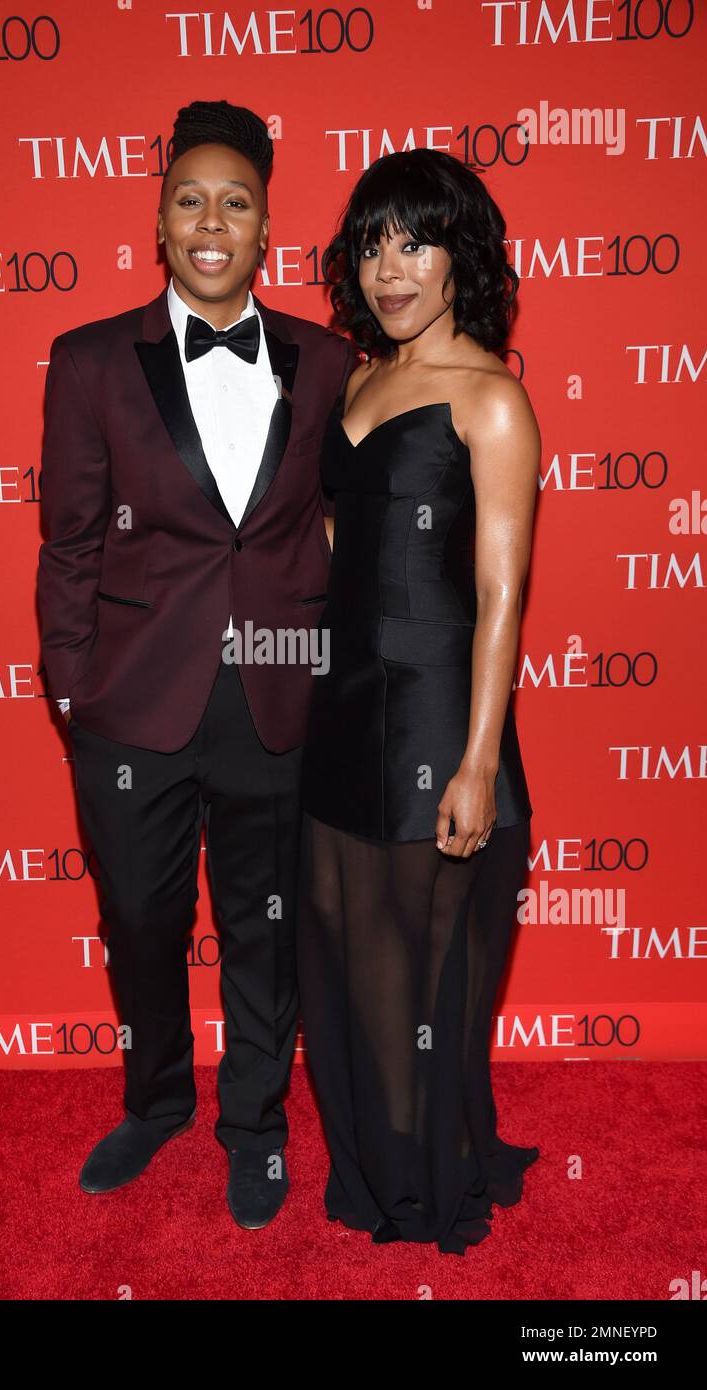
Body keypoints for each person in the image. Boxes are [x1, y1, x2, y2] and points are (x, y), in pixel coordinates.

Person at [36, 100, 354, 1229]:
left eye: (235, 203)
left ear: (265, 227)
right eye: (189, 200)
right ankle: (157, 1099)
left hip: (277, 695)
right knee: (138, 920)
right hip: (131, 704)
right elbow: (68, 542)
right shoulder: (88, 360)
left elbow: (345, 526)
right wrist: (75, 693)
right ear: (160, 222)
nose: (211, 222)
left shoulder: (329, 360)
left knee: (266, 926)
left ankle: (254, 1126)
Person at [297, 148, 541, 1254]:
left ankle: (426, 1178)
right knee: (347, 950)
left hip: (437, 710)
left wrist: (478, 761)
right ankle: (379, 1163)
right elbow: (341, 545)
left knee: (424, 967)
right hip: (341, 706)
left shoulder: (492, 401)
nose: (389, 269)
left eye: (415, 242)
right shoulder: (357, 383)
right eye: (370, 245)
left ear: (460, 257)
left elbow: (498, 596)